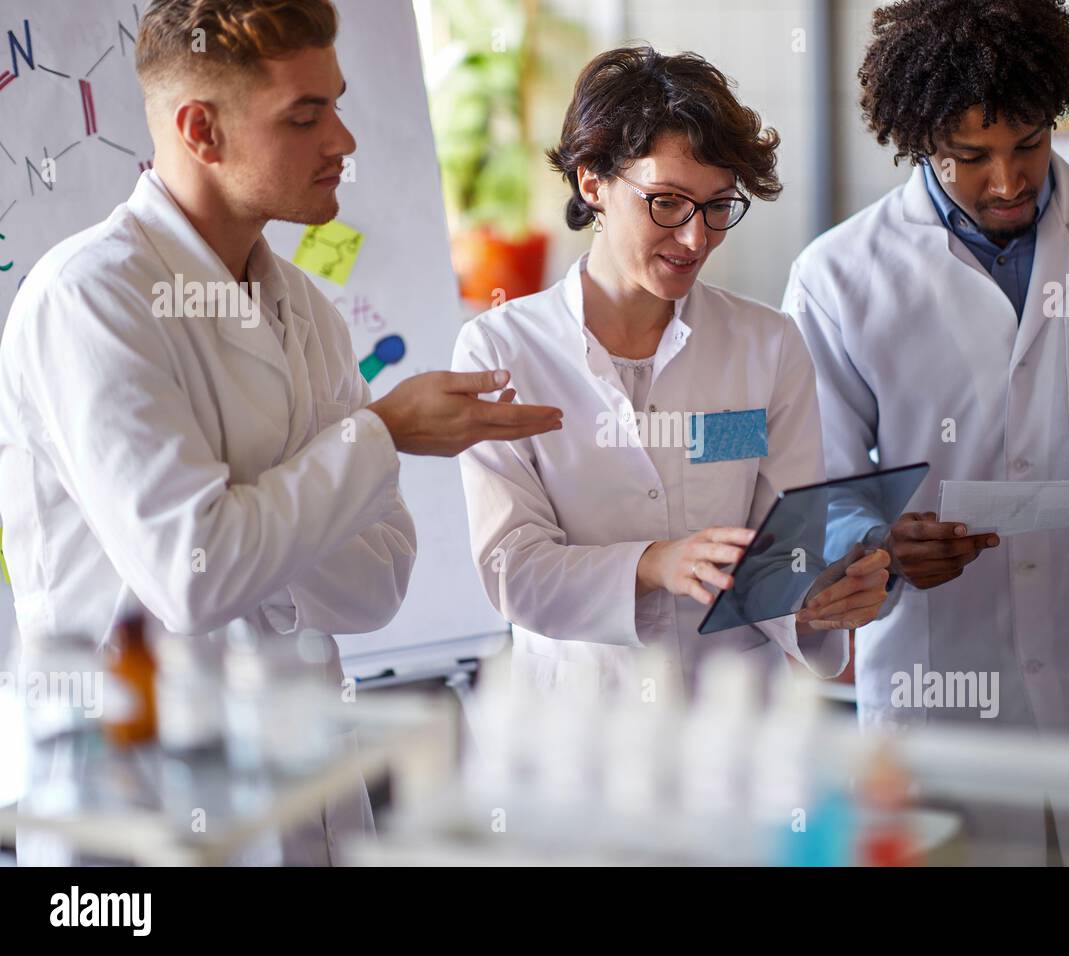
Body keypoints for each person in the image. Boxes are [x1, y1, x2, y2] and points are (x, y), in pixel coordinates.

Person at [0, 0, 560, 864]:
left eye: (335, 104)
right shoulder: (89, 299)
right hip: (140, 807)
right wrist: (374, 436)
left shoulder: (305, 311)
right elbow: (193, 574)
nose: (344, 141)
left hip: (307, 795)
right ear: (201, 130)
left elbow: (374, 590)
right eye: (306, 115)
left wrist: (260, 508)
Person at [784, 0, 1069, 858]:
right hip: (941, 687)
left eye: (1028, 143)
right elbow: (824, 496)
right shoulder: (838, 277)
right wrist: (883, 549)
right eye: (971, 157)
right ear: (920, 139)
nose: (1007, 181)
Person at [453, 46, 890, 702]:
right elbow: (514, 570)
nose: (695, 239)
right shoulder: (501, 349)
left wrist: (821, 593)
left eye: (718, 206)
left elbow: (781, 555)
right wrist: (654, 565)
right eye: (667, 202)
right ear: (591, 181)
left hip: (735, 720)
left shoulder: (767, 343)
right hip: (579, 723)